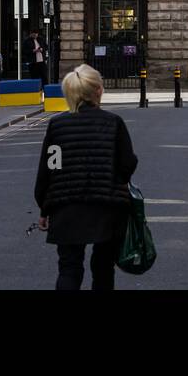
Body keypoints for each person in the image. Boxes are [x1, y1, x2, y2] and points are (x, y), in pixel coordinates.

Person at [34, 64, 137, 292]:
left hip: (66, 207)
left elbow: (50, 169)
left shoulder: (57, 125)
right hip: (107, 206)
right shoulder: (113, 123)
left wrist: (44, 208)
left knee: (69, 268)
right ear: (99, 90)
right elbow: (127, 163)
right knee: (103, 267)